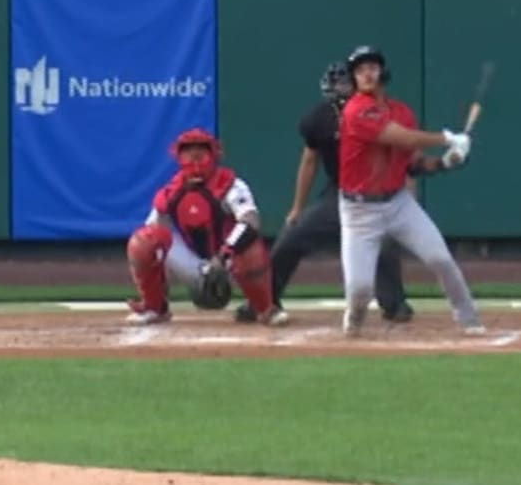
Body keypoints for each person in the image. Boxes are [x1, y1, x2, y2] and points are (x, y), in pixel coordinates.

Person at [235, 61, 413, 324]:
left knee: (384, 242)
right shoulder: (319, 119)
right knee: (292, 236)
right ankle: (263, 299)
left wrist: (403, 197)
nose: (340, 88)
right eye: (336, 83)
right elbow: (309, 162)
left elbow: (400, 157)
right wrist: (297, 207)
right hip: (339, 191)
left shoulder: (379, 114)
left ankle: (395, 303)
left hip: (376, 190)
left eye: (345, 82)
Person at [336, 45, 483, 337]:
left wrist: (445, 162)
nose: (367, 74)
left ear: (382, 73)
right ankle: (354, 317)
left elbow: (413, 164)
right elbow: (398, 137)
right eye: (360, 70)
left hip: (398, 203)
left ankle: (468, 318)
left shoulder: (402, 112)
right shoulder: (355, 110)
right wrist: (447, 138)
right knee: (360, 288)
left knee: (440, 259)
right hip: (359, 211)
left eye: (372, 68)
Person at [124, 128, 289, 327]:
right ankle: (154, 307)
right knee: (143, 241)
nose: (194, 159)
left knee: (250, 244)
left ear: (213, 155)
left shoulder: (231, 185)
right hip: (193, 263)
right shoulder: (172, 191)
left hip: (228, 261)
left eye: (200, 152)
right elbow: (153, 232)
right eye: (188, 153)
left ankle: (264, 308)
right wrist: (160, 279)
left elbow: (250, 222)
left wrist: (223, 255)